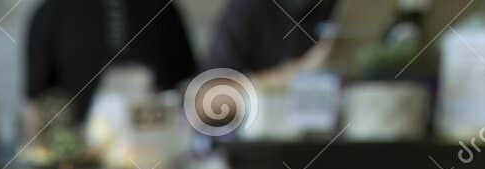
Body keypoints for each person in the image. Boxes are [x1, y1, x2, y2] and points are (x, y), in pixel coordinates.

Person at [24, 0, 198, 122]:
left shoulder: (163, 8)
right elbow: (36, 102)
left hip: (155, 145)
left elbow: (187, 86)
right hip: (79, 156)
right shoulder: (52, 11)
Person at [205, 0, 339, 83]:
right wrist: (299, 72)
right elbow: (209, 95)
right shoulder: (247, 7)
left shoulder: (339, 8)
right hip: (261, 120)